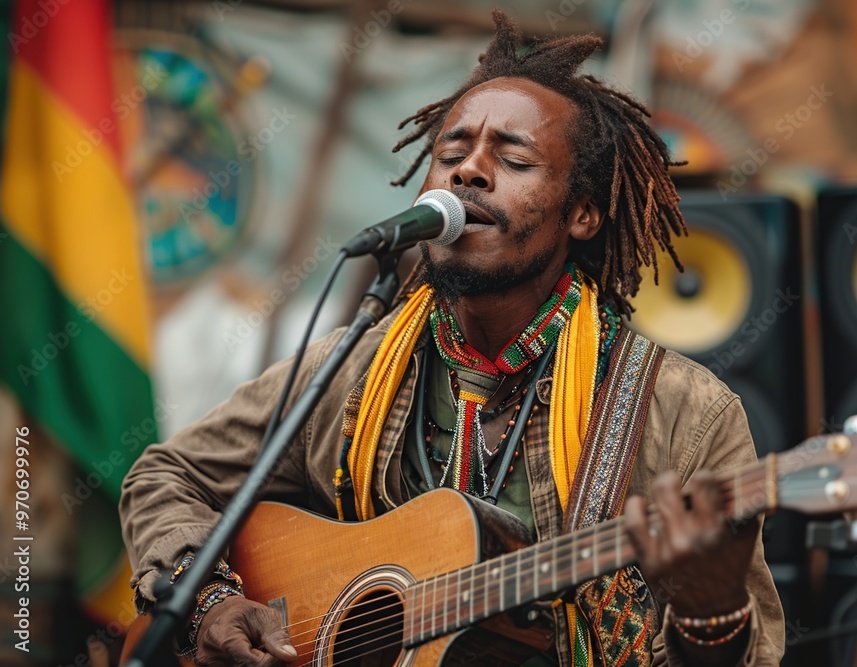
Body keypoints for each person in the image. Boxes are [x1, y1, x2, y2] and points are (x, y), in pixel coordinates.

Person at [120, 11, 784, 666]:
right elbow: (167, 473)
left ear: (582, 213)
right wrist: (209, 600)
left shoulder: (687, 414)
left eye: (513, 157)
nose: (468, 172)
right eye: (451, 153)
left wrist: (709, 613)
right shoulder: (357, 367)